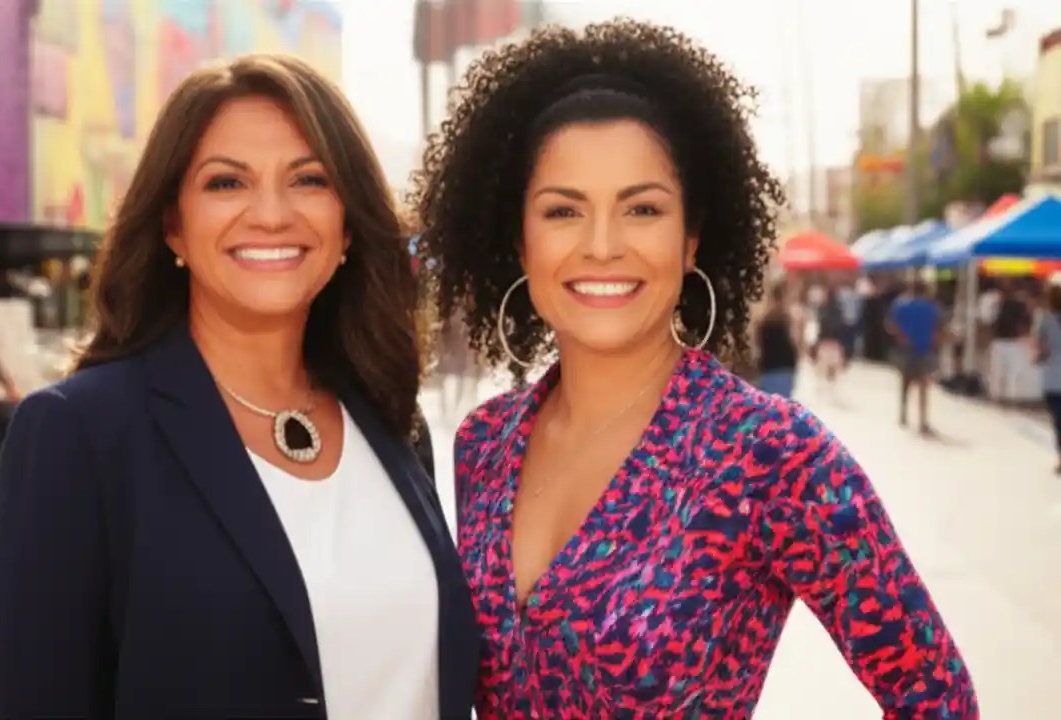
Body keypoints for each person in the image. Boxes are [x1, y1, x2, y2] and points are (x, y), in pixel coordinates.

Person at [411, 20, 977, 718]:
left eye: (642, 208)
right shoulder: (484, 443)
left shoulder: (769, 454)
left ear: (691, 240)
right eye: (563, 211)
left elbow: (936, 696)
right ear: (521, 243)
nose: (602, 245)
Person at [0, 55, 478, 720]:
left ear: (348, 226)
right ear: (172, 225)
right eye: (226, 183)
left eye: (309, 179)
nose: (270, 214)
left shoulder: (394, 422)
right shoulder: (79, 434)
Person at [888, 280, 943, 435]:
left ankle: (903, 414)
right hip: (925, 349)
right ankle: (923, 421)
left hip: (905, 348)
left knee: (905, 383)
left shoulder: (900, 305)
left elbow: (892, 326)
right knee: (923, 386)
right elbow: (937, 328)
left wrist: (902, 336)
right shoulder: (931, 307)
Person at [1034, 282, 1061, 473]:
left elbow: (1040, 350)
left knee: (1058, 422)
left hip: (1053, 380)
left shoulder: (1045, 320)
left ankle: (1060, 458)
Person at [755, 281, 799, 398]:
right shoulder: (787, 317)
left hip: (769, 367)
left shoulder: (763, 318)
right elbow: (795, 341)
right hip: (784, 367)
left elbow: (758, 344)